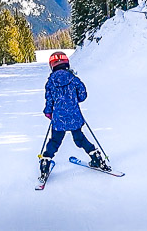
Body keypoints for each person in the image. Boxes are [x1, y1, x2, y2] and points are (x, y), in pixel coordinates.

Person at [39, 51, 109, 179]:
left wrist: (48, 112)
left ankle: (45, 162)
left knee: (54, 141)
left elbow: (49, 100)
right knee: (80, 138)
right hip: (74, 116)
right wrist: (73, 100)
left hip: (58, 118)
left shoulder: (50, 82)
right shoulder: (74, 79)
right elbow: (83, 95)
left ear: (52, 65)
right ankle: (96, 157)